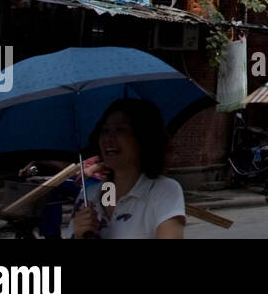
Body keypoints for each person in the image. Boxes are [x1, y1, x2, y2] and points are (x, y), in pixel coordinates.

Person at [67, 98, 186, 239]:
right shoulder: (90, 196)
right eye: (104, 130)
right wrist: (79, 235)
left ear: (143, 138)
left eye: (120, 130)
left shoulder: (163, 191)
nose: (108, 139)